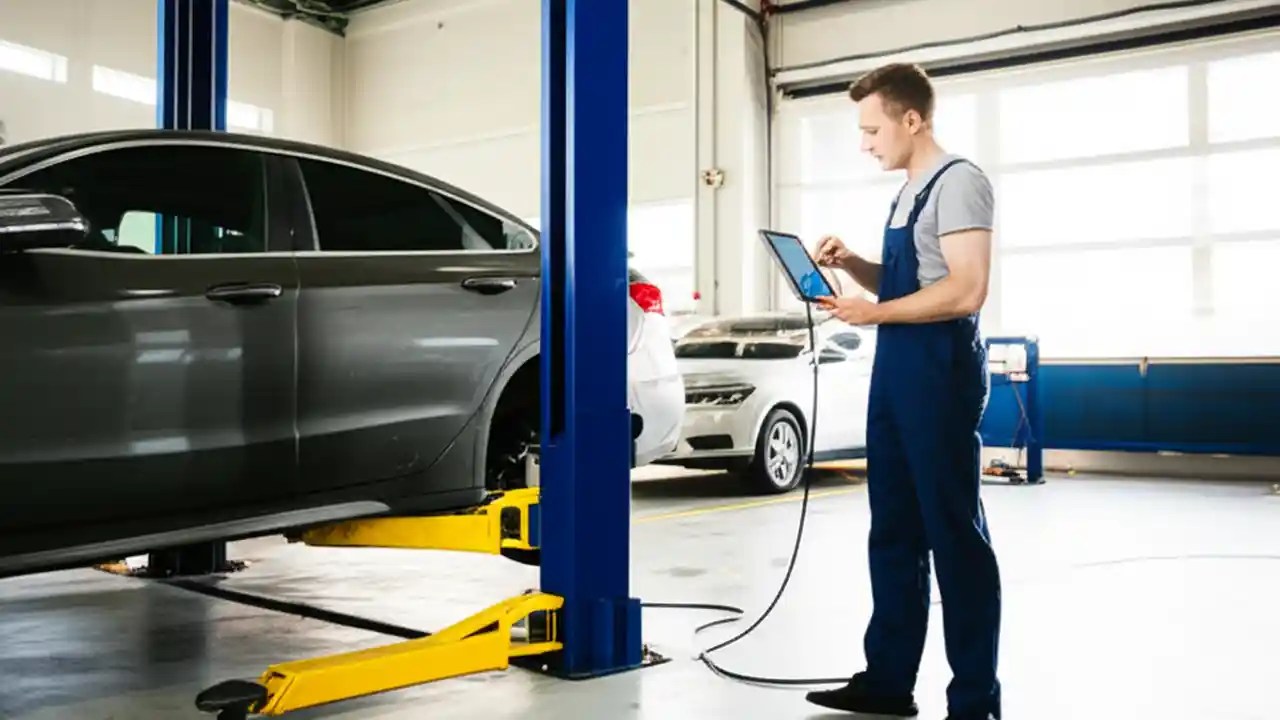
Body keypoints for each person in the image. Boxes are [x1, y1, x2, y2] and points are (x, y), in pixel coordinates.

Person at [803, 63, 1002, 720]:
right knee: (891, 529)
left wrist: (873, 312)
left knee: (953, 533)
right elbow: (909, 276)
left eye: (872, 128)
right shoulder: (909, 189)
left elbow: (966, 288)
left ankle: (975, 701)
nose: (865, 143)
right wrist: (853, 265)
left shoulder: (960, 182)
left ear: (911, 119)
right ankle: (888, 682)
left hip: (938, 372)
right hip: (897, 370)